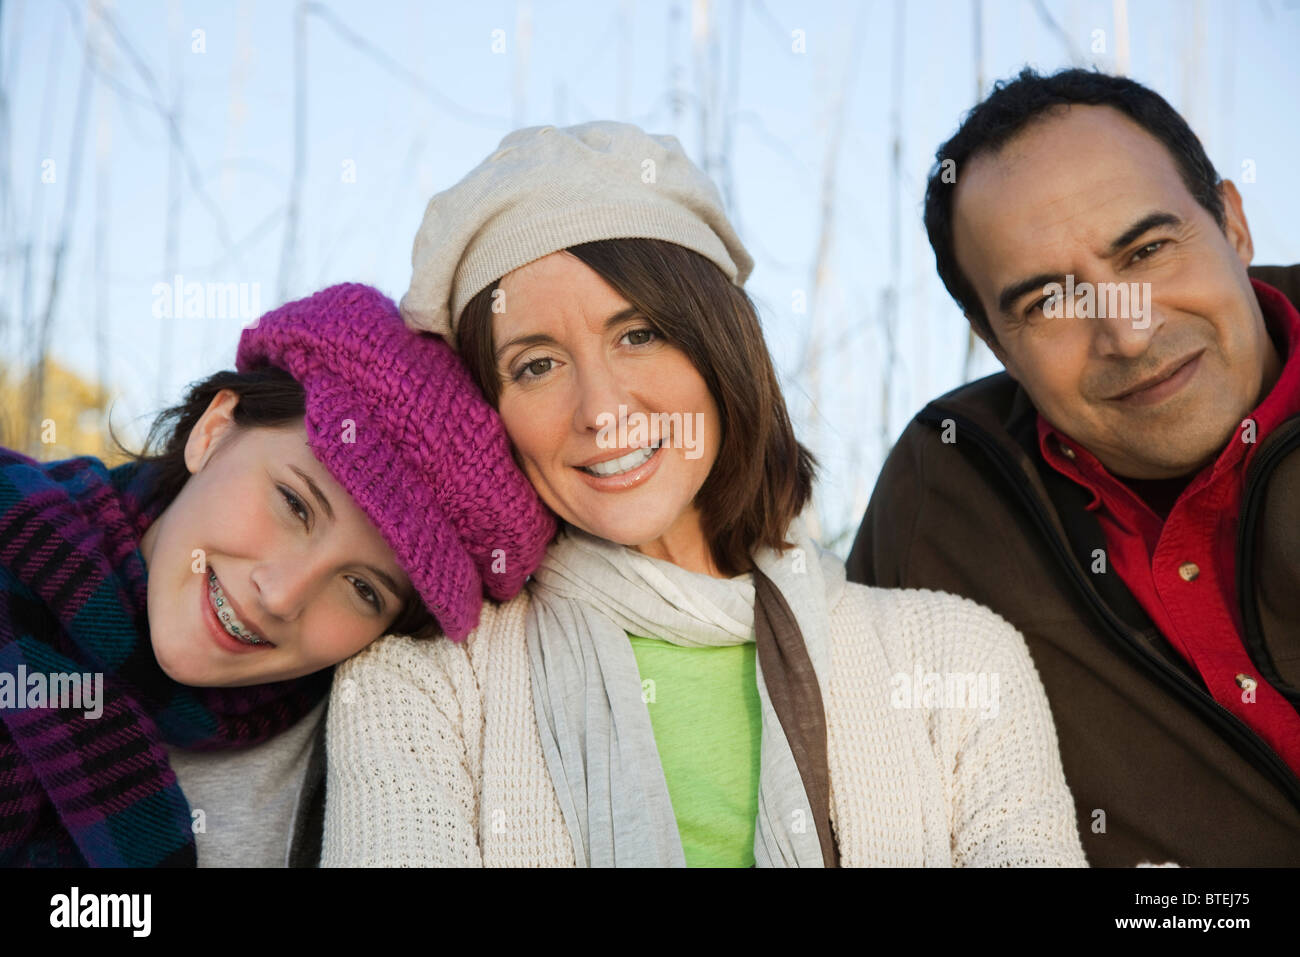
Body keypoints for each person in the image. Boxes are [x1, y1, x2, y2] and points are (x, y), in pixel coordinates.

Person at [322, 122, 1087, 867]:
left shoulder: (957, 663)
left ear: (721, 347)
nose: (601, 410)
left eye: (639, 334)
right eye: (535, 365)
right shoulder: (424, 677)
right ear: (489, 415)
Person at [846, 67, 1300, 865]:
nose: (1126, 332)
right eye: (1048, 301)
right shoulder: (945, 494)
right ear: (994, 343)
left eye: (1147, 250)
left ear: (1233, 224)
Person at [0, 282, 554, 867]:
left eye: (363, 589)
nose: (284, 595)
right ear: (213, 431)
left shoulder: (367, 754)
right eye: (294, 504)